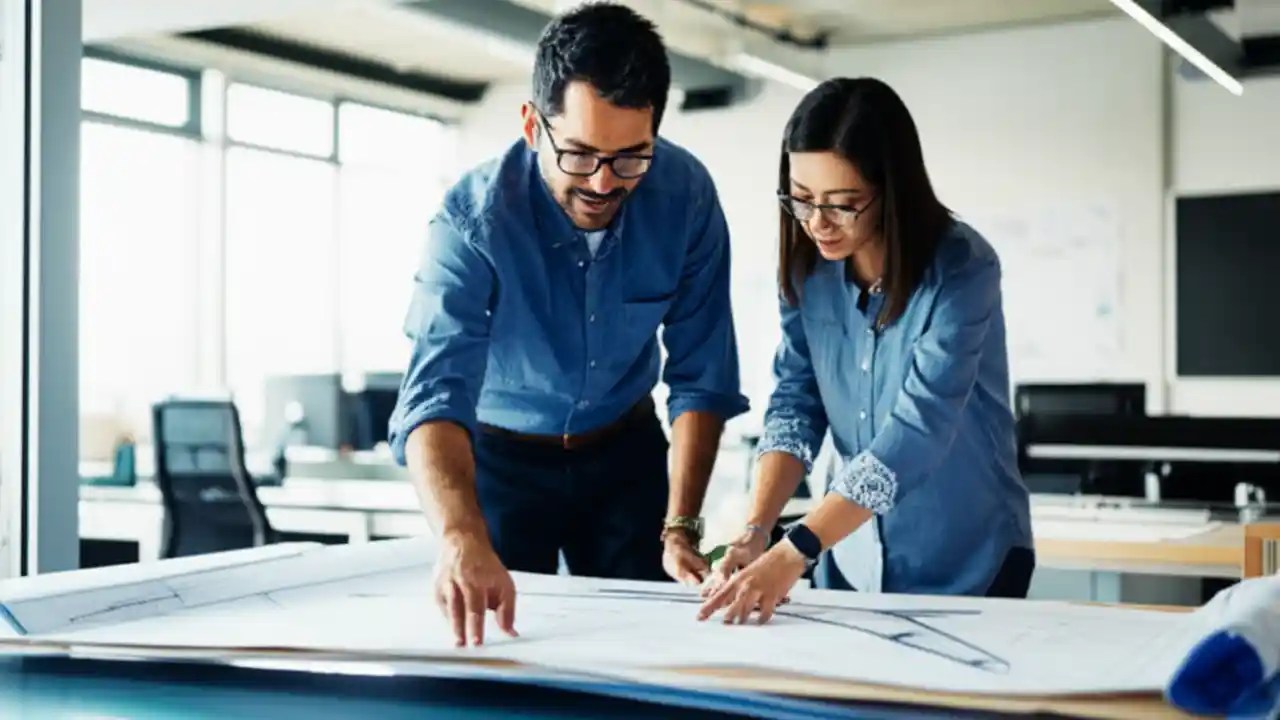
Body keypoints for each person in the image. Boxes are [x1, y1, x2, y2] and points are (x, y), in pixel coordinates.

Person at [389, 3, 748, 647]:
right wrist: (460, 534)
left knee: (649, 642)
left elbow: (703, 374)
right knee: (504, 646)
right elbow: (434, 394)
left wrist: (682, 525)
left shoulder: (686, 196)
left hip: (624, 451)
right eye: (580, 154)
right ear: (533, 125)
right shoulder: (471, 220)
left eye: (631, 157)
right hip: (501, 459)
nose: (604, 183)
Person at [698, 77, 1033, 625]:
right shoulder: (808, 271)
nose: (817, 223)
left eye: (843, 204)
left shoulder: (963, 269)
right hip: (848, 557)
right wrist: (757, 531)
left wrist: (794, 548)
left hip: (966, 555)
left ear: (891, 191)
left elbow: (918, 431)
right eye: (801, 199)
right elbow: (796, 404)